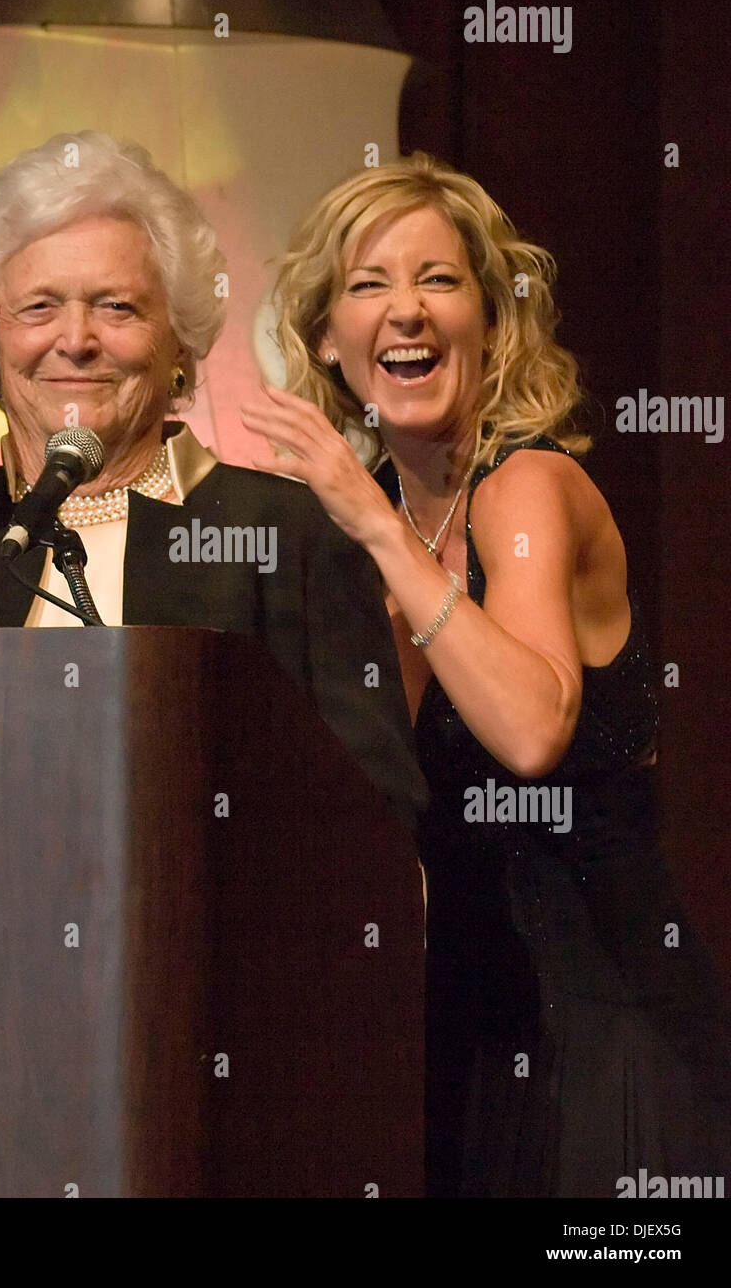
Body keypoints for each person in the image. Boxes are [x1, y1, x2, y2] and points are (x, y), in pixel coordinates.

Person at [241, 152, 731, 1197]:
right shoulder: (358, 531)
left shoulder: (527, 488)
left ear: (492, 320)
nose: (405, 311)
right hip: (459, 1041)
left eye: (438, 280)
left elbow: (526, 732)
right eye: (368, 285)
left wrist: (375, 530)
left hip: (611, 1036)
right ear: (327, 339)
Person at [0, 131, 426, 825]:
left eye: (116, 306)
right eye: (37, 308)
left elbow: (376, 817)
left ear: (178, 344)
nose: (76, 339)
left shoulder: (282, 531)